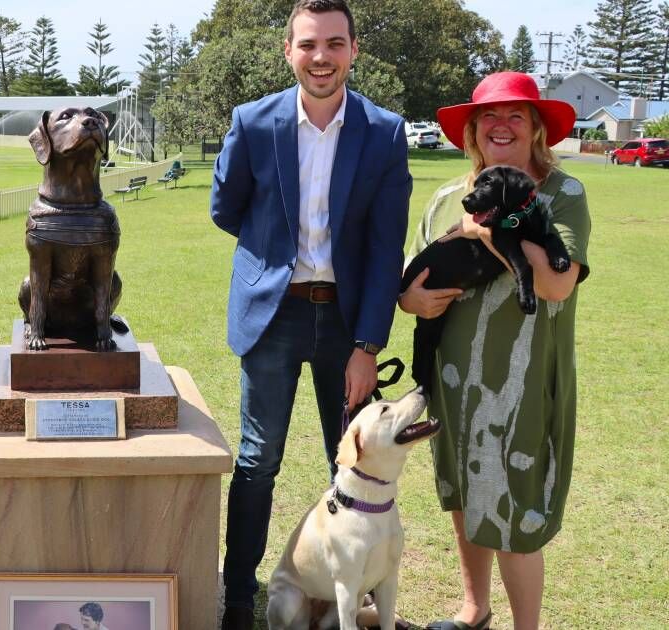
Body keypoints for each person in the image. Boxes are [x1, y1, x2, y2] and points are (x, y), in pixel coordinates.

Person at [209, 1, 412, 627]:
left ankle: (359, 594)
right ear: (289, 51)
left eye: (334, 43)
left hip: (347, 324)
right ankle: (238, 597)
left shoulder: (384, 132)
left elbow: (386, 248)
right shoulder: (253, 122)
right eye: (308, 44)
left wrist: (367, 346)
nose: (320, 57)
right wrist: (275, 252)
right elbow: (225, 208)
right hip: (273, 315)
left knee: (350, 459)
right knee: (257, 461)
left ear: (353, 50)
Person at [399, 71, 588, 630]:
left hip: (523, 380)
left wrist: (485, 231)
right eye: (489, 117)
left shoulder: (561, 195)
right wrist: (410, 299)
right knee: (464, 492)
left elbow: (556, 285)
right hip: (453, 375)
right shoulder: (445, 198)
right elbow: (411, 278)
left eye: (515, 116)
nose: (501, 126)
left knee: (516, 506)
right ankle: (474, 609)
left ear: (536, 129)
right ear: (473, 132)